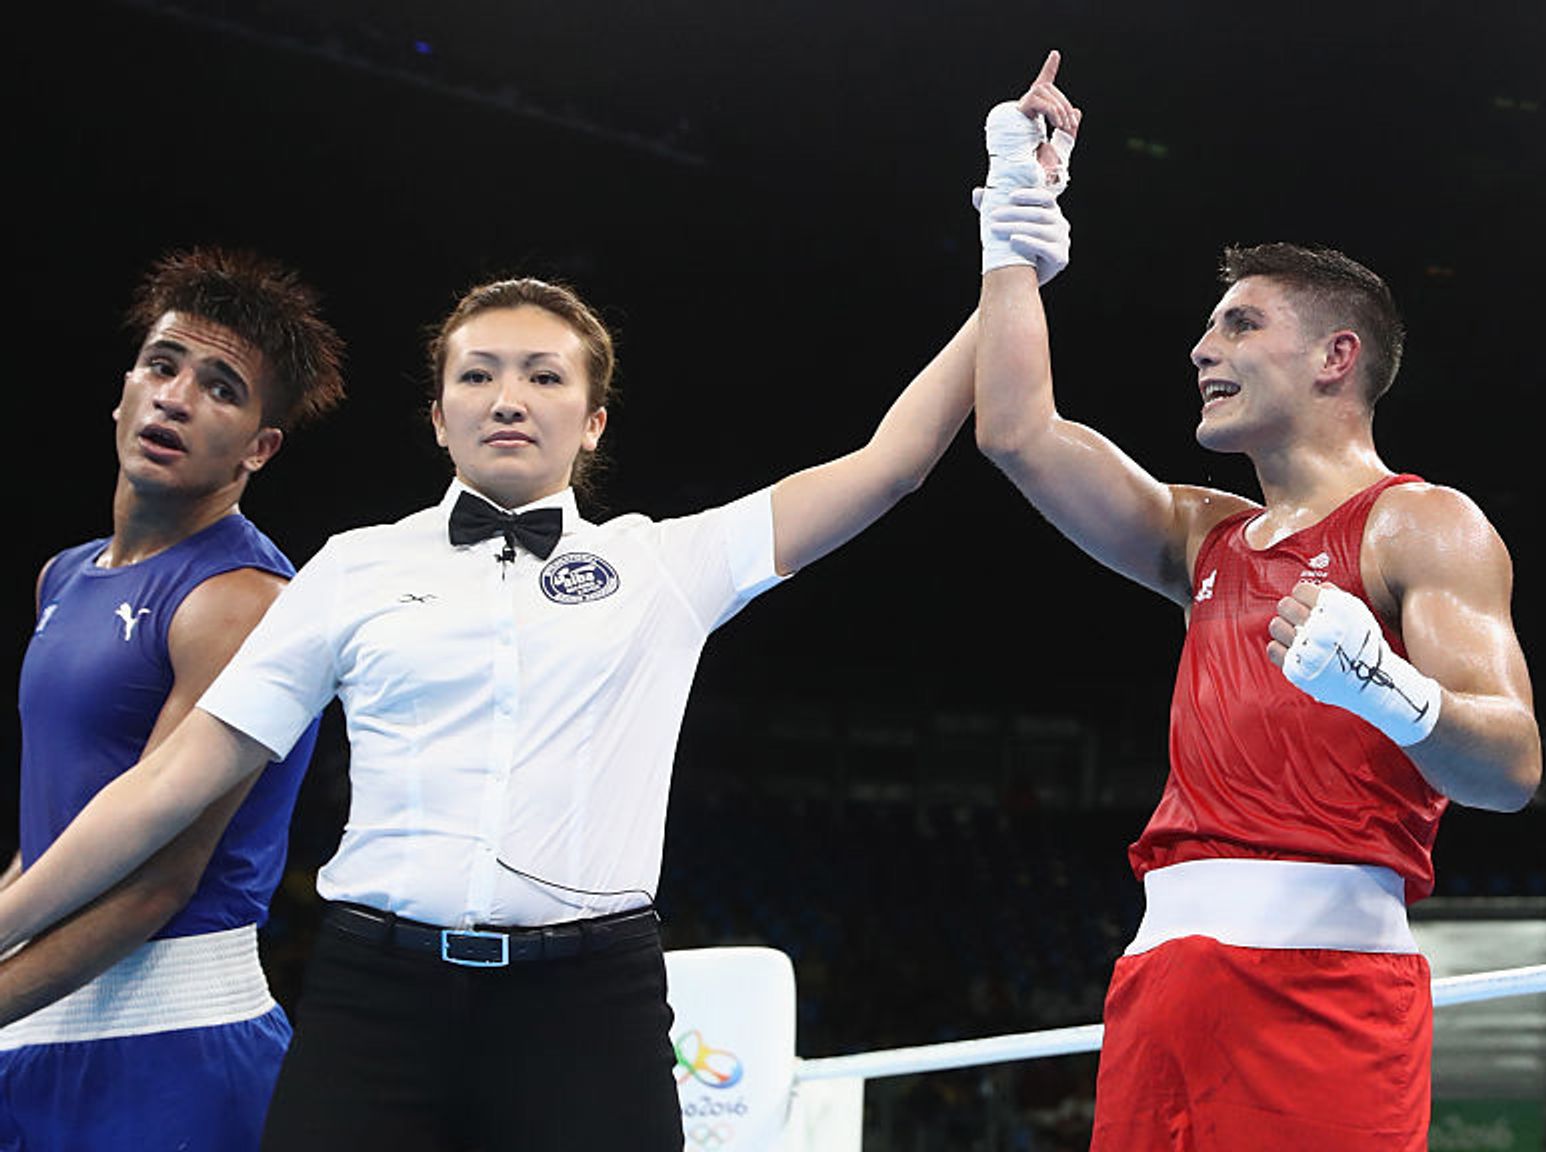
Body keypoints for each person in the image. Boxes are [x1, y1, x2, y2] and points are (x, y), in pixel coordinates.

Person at [0, 56, 1076, 1146]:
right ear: (435, 415)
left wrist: (1009, 250)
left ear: (594, 419)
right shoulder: (350, 567)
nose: (508, 397)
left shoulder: (667, 565)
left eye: (544, 376)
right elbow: (160, 793)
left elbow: (889, 461)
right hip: (377, 1004)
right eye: (477, 374)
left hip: (587, 1011)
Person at [971, 58, 1542, 1150]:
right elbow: (1017, 436)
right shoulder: (1203, 536)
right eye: (1207, 328)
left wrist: (1388, 691)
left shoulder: (1422, 525)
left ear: (1337, 357)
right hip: (1161, 987)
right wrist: (1013, 221)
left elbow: (1509, 769)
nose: (1201, 348)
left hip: (1323, 996)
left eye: (1239, 326)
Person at [0, 246, 346, 1150]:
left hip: (176, 1052)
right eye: (162, 366)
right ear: (123, 389)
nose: (176, 398)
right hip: (40, 1025)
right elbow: (50, 837)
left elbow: (159, 878)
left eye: (222, 388)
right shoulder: (64, 578)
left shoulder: (242, 600)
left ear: (260, 448)